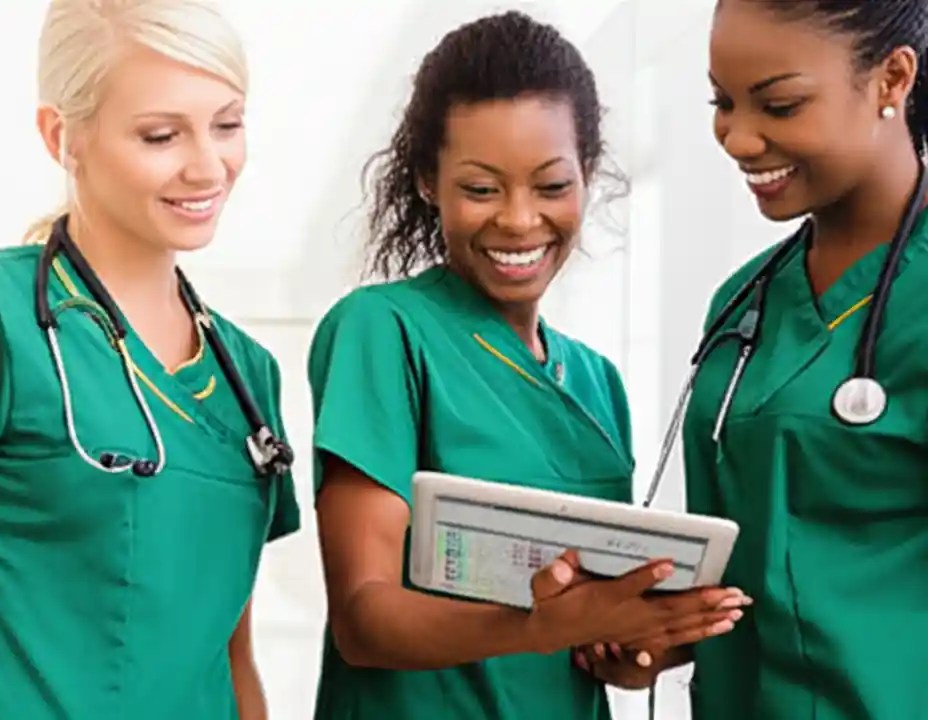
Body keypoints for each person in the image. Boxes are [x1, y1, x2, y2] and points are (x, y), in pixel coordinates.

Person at [0, 1, 299, 717]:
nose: (208, 166)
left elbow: (230, 659)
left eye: (227, 124)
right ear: (63, 137)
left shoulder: (247, 375)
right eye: (160, 135)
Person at [305, 11, 751, 720]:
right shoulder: (384, 332)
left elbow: (588, 634)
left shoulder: (598, 383)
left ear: (587, 177)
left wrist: (628, 648)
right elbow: (364, 619)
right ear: (428, 180)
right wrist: (544, 626)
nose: (518, 220)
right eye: (481, 189)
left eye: (551, 186)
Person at [587, 0, 928, 716]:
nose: (738, 138)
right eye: (722, 102)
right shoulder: (743, 303)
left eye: (780, 104)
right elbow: (740, 580)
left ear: (893, 79)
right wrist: (651, 637)